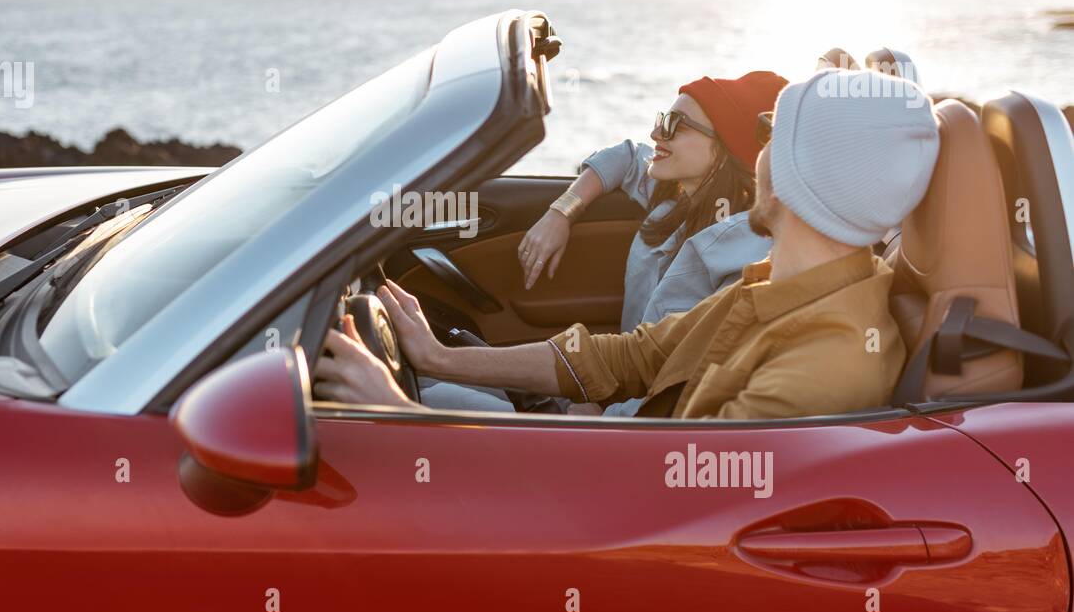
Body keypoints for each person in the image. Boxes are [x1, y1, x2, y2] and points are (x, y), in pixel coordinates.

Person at [316, 68, 941, 420]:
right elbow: (627, 360)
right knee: (448, 391)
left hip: (613, 522)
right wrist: (437, 358)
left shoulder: (827, 360)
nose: (761, 150)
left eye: (773, 133)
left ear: (807, 175)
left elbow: (660, 503)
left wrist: (405, 424)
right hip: (617, 456)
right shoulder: (775, 285)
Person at [421, 71, 785, 416]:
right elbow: (626, 157)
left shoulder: (743, 253)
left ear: (723, 150)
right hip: (609, 386)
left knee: (433, 400)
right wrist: (562, 212)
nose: (657, 133)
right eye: (661, 118)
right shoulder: (672, 198)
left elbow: (684, 379)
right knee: (434, 385)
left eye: (674, 125)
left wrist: (605, 415)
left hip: (626, 423)